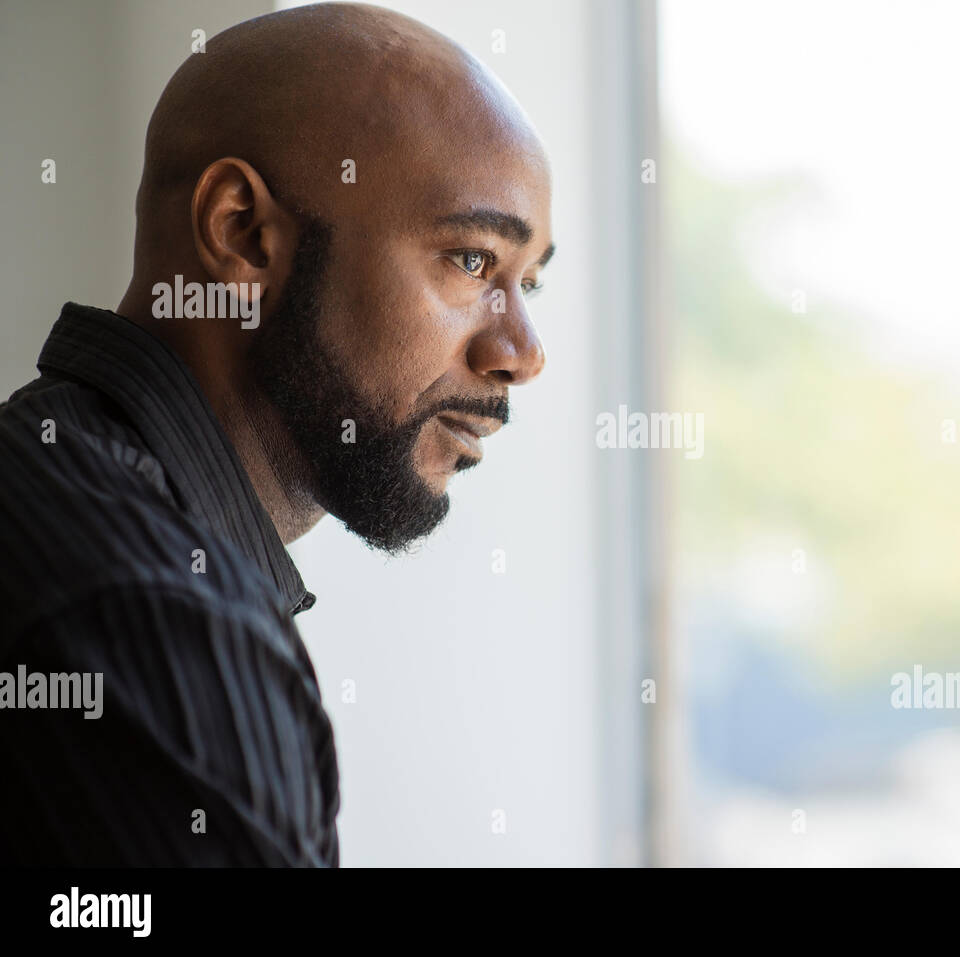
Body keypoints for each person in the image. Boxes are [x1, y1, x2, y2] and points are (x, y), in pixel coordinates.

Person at [0, 2, 554, 866]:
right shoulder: (158, 615)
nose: (521, 353)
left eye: (529, 284)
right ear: (242, 233)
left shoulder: (52, 484)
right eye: (473, 260)